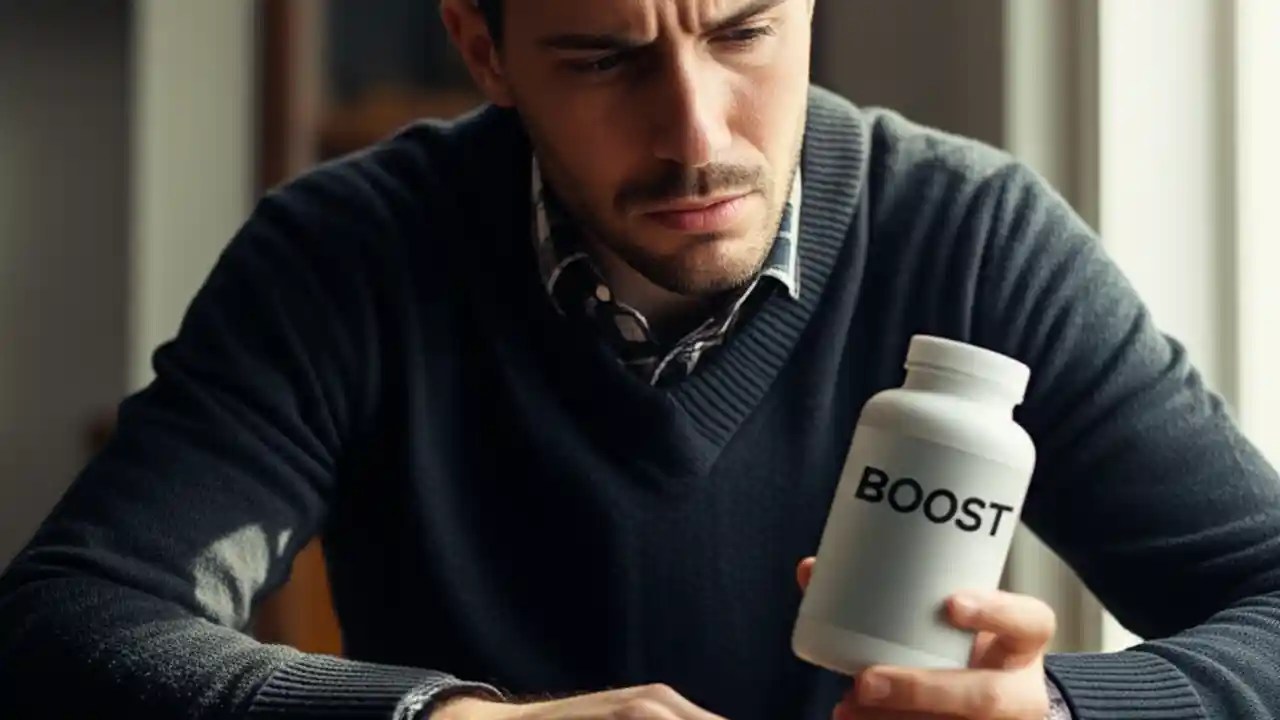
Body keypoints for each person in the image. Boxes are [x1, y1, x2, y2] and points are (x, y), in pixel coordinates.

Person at [1, 0, 1278, 717]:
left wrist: (1058, 715)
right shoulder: (348, 253)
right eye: (605, 58)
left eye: (741, 32)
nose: (694, 136)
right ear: (481, 46)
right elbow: (66, 625)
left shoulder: (977, 237)